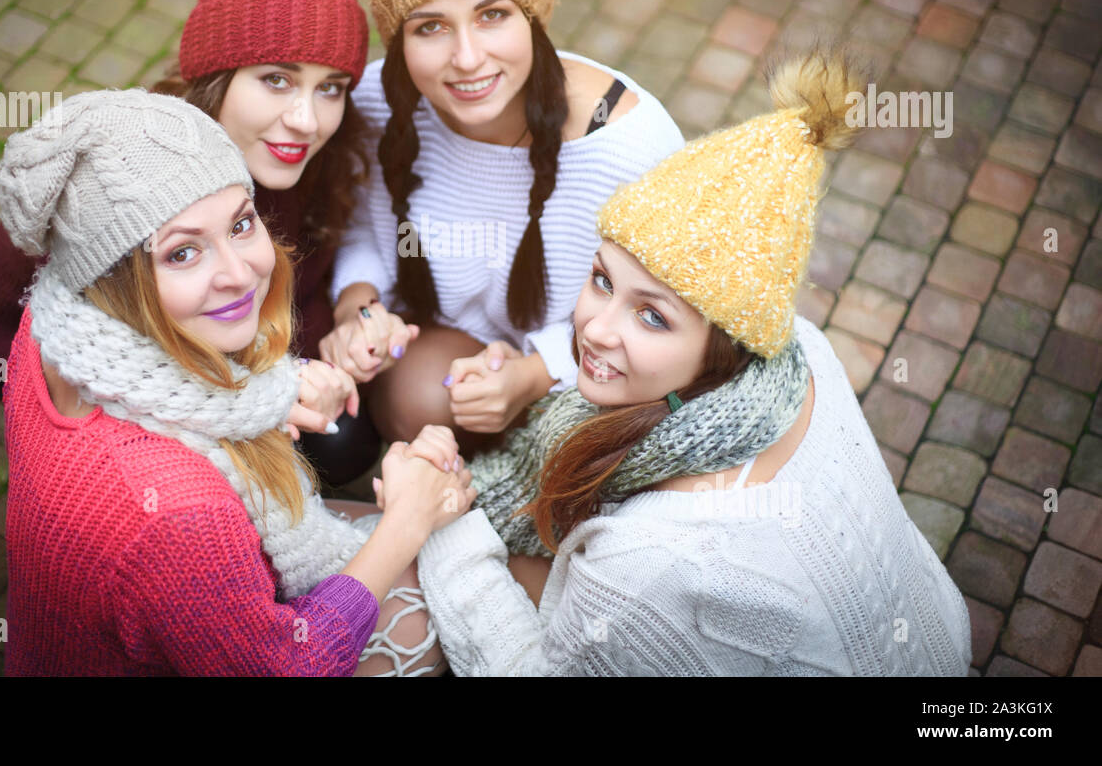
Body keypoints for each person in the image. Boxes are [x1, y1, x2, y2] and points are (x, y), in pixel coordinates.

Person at [383, 47, 973, 675]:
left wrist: (439, 531)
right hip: (932, 636)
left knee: (408, 607)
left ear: (722, 346)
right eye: (603, 280)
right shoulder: (800, 350)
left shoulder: (645, 562)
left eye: (653, 316)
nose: (594, 329)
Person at [0, 88, 470, 675]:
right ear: (110, 281)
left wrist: (278, 390)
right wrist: (405, 523)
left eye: (241, 223)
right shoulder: (175, 511)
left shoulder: (49, 330)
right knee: (454, 604)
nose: (240, 272)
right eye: (182, 253)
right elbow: (284, 666)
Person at [0, 0, 381, 485]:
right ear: (218, 75)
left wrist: (321, 359)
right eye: (277, 79)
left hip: (232, 364)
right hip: (123, 395)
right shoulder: (125, 162)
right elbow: (3, 301)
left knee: (348, 442)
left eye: (330, 87)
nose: (308, 119)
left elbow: (304, 291)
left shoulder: (314, 166)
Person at [318, 0, 685, 453]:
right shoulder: (379, 100)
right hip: (449, 351)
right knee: (415, 400)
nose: (467, 58)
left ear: (534, 17)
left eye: (492, 15)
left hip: (601, 372)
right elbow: (359, 225)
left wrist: (538, 373)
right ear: (399, 42)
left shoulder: (627, 145)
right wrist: (357, 309)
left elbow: (662, 314)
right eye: (430, 26)